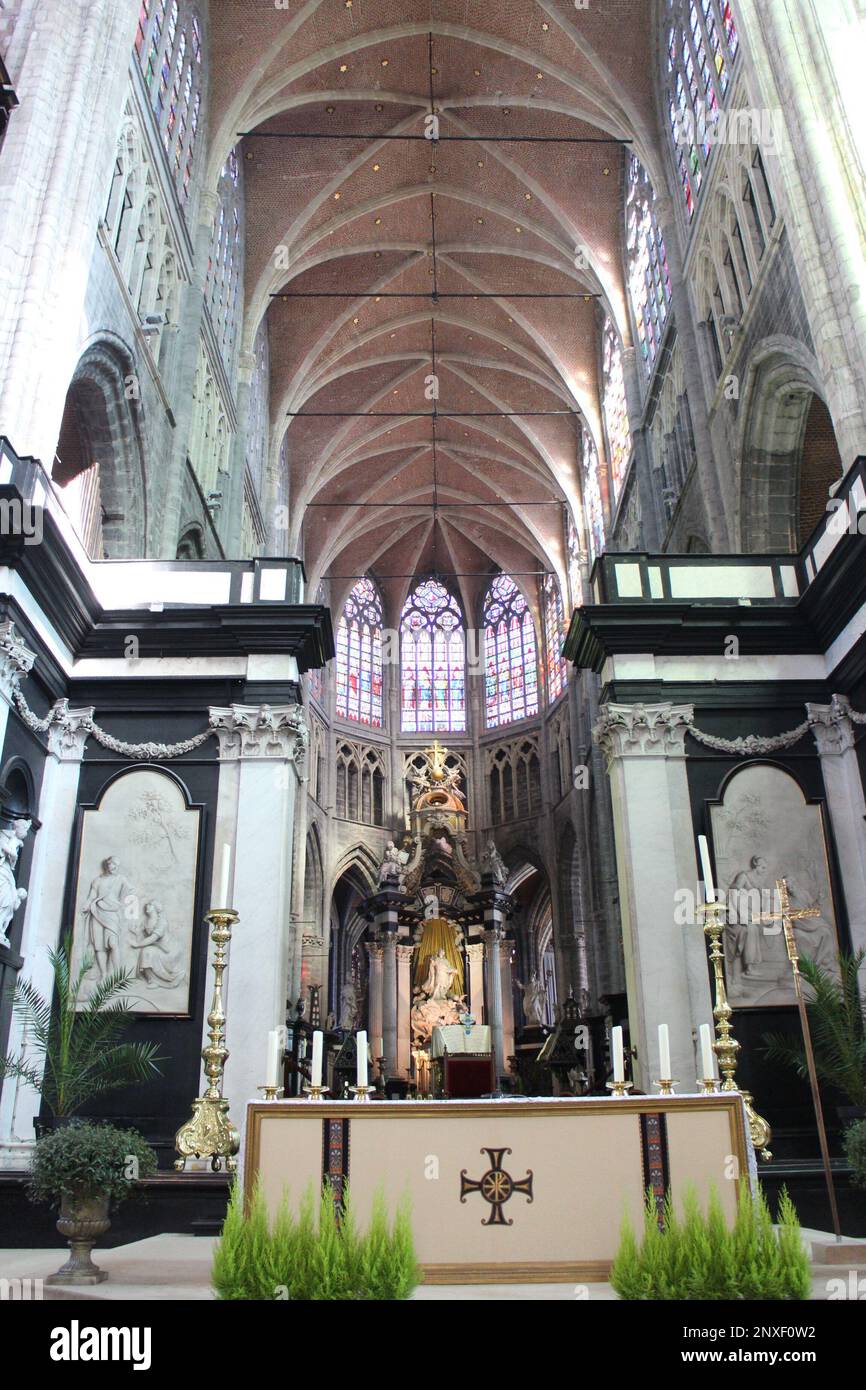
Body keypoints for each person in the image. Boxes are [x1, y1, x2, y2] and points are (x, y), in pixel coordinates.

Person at [79, 856, 135, 978]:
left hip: (112, 914)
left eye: (117, 865)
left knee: (113, 943)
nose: (114, 867)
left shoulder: (121, 879)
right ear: (108, 865)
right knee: (99, 946)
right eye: (112, 864)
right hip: (97, 912)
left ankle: (117, 974)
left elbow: (130, 891)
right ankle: (104, 974)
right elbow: (92, 895)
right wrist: (87, 905)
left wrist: (121, 903)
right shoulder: (97, 880)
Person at [128, 901, 184, 987]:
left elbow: (152, 938)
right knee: (145, 951)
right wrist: (136, 933)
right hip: (157, 947)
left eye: (150, 905)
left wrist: (137, 944)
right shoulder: (147, 922)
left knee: (147, 951)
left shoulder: (162, 922)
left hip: (167, 949)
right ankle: (151, 979)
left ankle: (157, 980)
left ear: (155, 908)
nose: (147, 906)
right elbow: (145, 939)